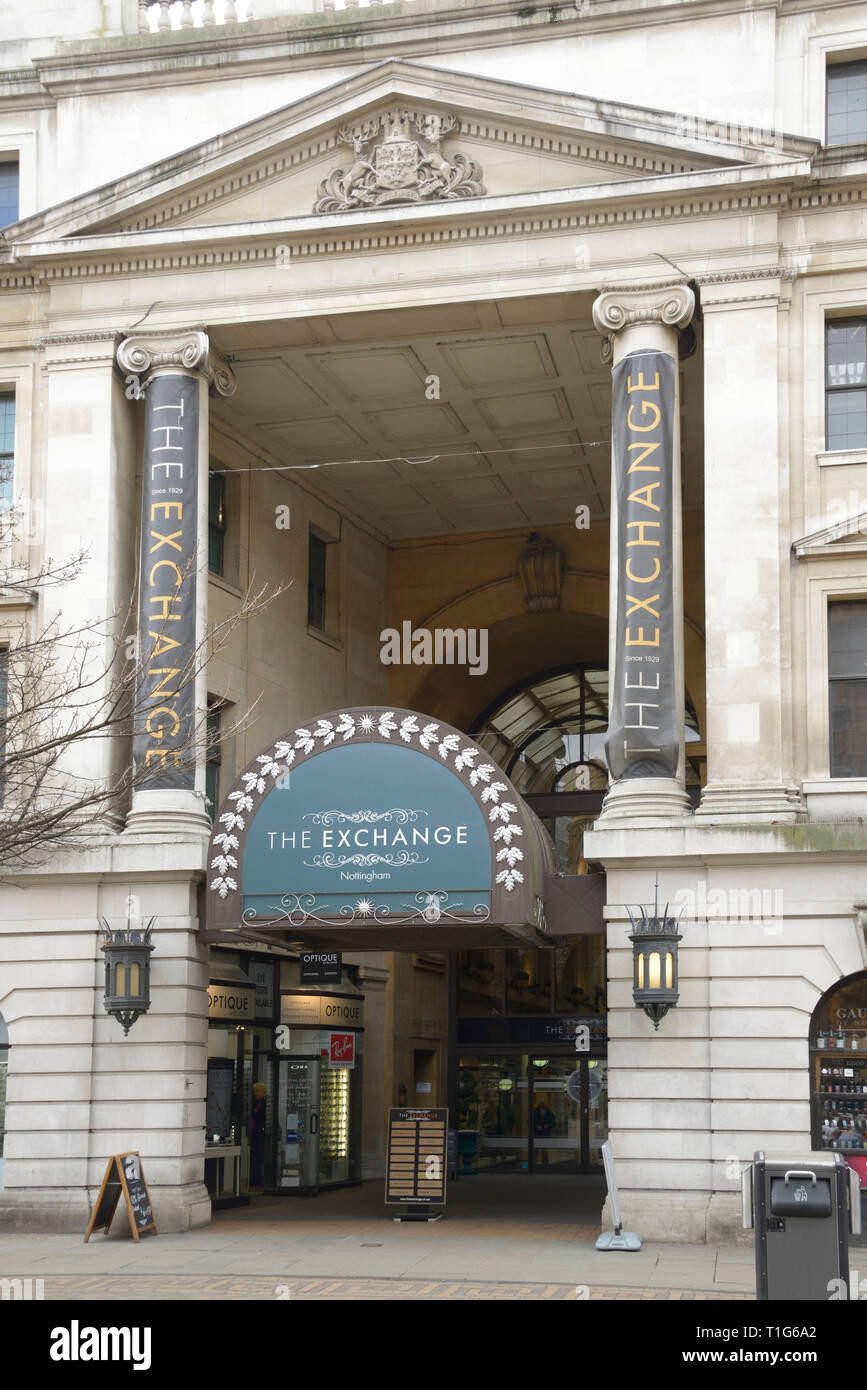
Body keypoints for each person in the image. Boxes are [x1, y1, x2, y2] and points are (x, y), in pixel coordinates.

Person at [249, 1082, 267, 1189]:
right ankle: (256, 1178)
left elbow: (257, 1115)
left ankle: (257, 1178)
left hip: (259, 1133)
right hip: (256, 1132)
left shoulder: (261, 1103)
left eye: (257, 1091)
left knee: (257, 1156)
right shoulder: (259, 1102)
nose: (255, 1093)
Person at [533, 1097, 556, 1166]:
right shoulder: (534, 1112)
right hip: (537, 1134)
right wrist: (536, 1126)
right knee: (536, 1150)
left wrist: (548, 1126)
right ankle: (534, 1164)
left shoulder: (549, 1113)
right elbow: (531, 1121)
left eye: (543, 1105)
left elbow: (553, 1123)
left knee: (544, 1150)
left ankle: (545, 1164)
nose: (542, 1107)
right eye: (541, 1105)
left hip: (545, 1134)